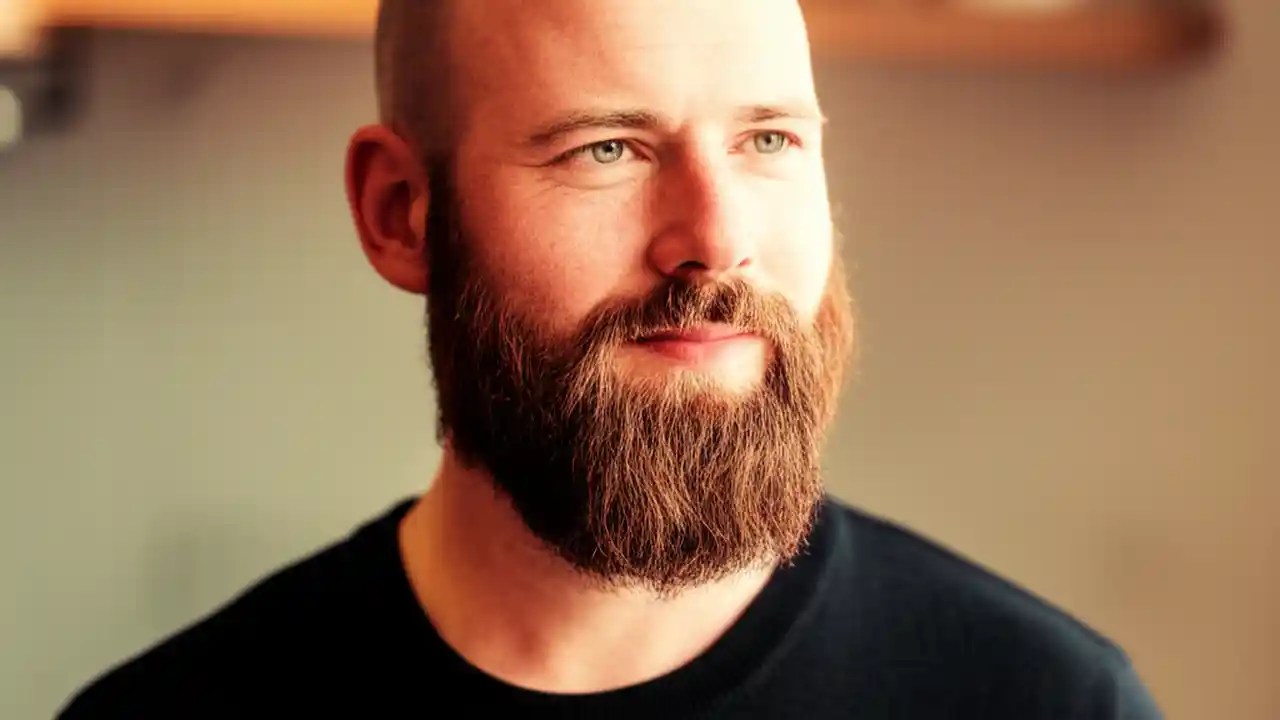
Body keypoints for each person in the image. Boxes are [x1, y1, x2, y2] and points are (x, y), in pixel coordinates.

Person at [59, 0, 1163, 717]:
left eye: (768, 139)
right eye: (606, 148)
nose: (715, 239)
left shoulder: (1048, 703)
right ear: (400, 212)